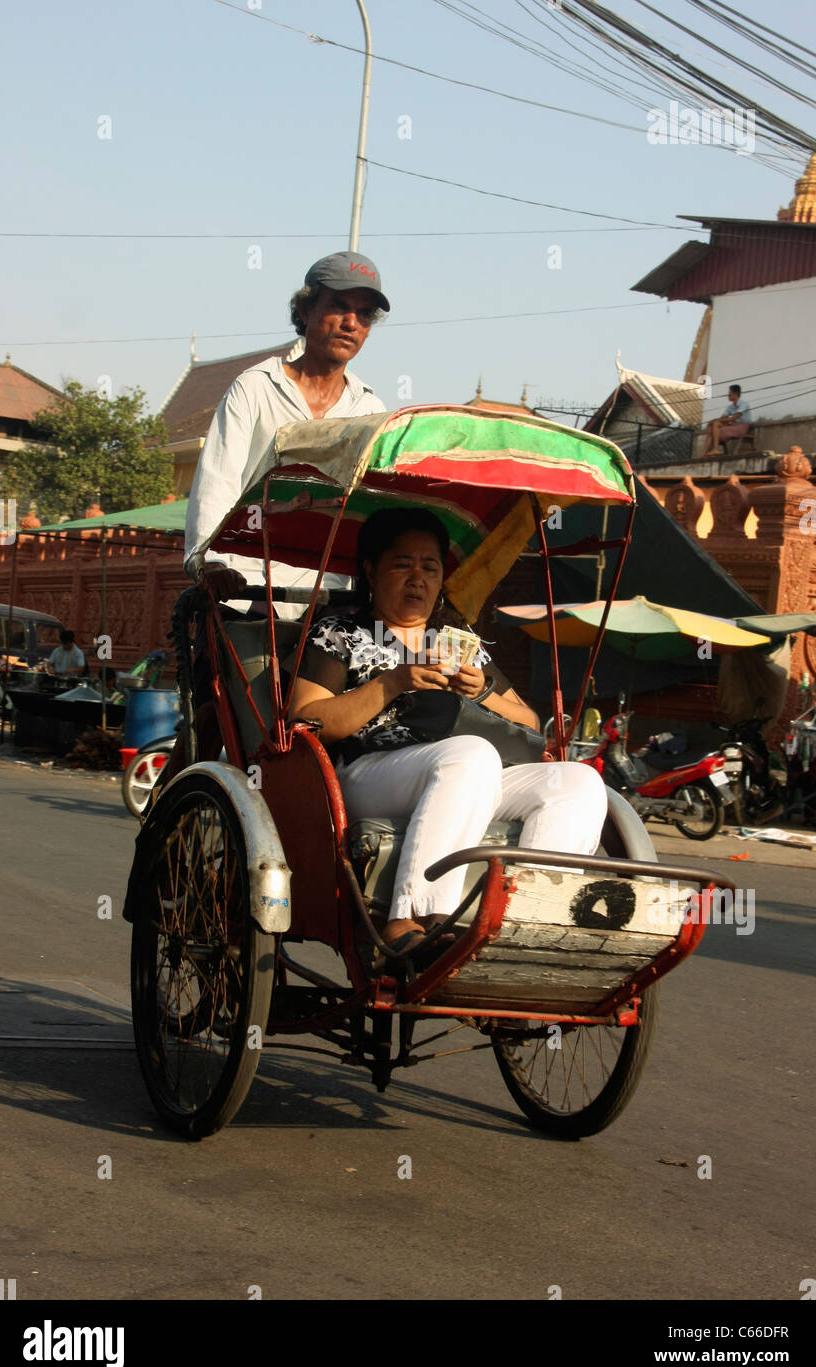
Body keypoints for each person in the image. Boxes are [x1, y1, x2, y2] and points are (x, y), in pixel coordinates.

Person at [290, 508, 608, 965]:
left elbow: (529, 723)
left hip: (465, 774)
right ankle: (415, 915)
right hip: (366, 774)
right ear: (371, 571)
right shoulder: (340, 632)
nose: (417, 578)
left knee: (576, 781)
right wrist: (393, 682)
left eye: (430, 567)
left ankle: (532, 925)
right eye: (403, 564)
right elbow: (307, 719)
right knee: (471, 754)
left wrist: (484, 691)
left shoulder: (459, 641)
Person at [166, 252, 390, 780]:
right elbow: (217, 482)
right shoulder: (255, 388)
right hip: (247, 594)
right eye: (338, 306)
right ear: (307, 309)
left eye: (363, 314)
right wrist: (207, 565)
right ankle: (170, 816)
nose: (350, 323)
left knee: (319, 739)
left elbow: (370, 508)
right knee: (234, 730)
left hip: (330, 606)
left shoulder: (369, 407)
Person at [701, 385, 752, 456]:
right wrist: (712, 421)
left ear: (735, 394)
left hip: (741, 427)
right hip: (732, 425)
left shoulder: (744, 404)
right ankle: (704, 454)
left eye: (729, 393)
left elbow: (733, 418)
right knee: (711, 426)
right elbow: (722, 418)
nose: (728, 395)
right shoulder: (730, 407)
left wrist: (719, 421)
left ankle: (716, 449)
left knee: (716, 427)